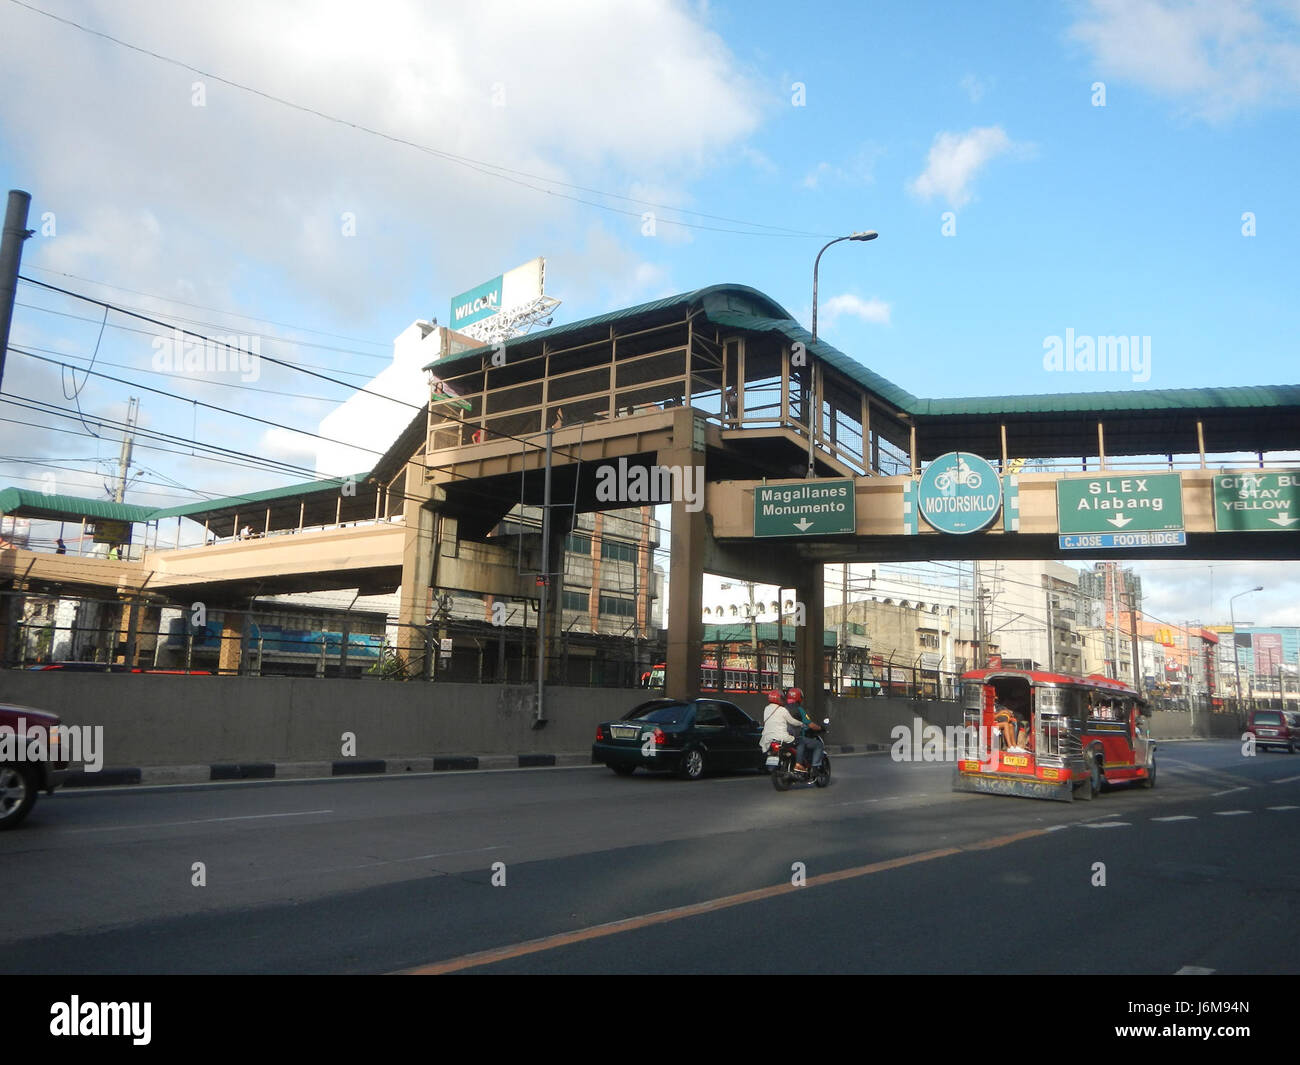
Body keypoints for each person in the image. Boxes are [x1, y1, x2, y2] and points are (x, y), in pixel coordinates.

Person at [786, 687, 823, 773]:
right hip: (795, 737)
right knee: (818, 745)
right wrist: (820, 728)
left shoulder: (782, 708)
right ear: (799, 698)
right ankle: (815, 767)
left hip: (782, 737)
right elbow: (810, 724)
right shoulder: (799, 709)